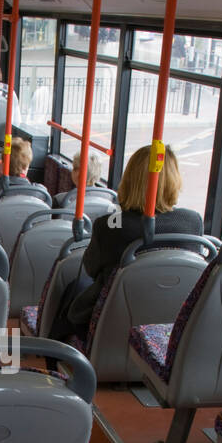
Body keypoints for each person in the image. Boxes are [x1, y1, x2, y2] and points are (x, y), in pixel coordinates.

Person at [48, 145, 203, 347]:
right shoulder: (191, 222)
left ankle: (52, 354)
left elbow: (91, 269)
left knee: (73, 289)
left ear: (129, 180)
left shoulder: (111, 225)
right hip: (171, 325)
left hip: (113, 321)